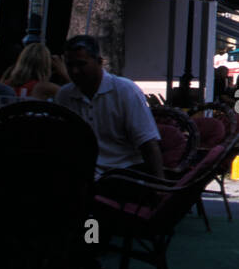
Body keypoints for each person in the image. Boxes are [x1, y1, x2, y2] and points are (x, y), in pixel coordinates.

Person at [55, 35, 162, 178]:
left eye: (81, 64)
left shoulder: (125, 91)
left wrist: (158, 186)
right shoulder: (65, 95)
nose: (75, 71)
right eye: (70, 65)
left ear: (99, 62)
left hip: (124, 173)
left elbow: (148, 143)